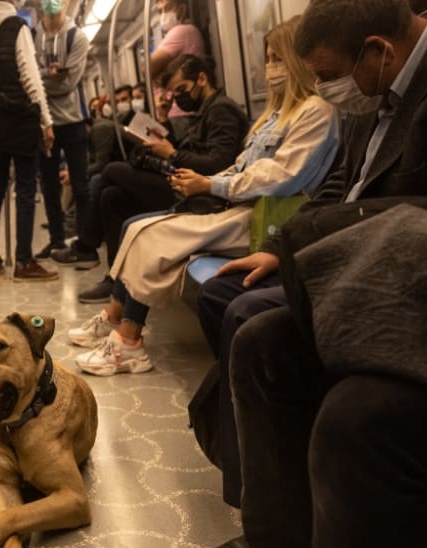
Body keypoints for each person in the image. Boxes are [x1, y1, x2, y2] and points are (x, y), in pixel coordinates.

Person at [157, 2, 427, 548]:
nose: (325, 87)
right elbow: (345, 186)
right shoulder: (377, 85)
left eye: (329, 74)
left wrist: (309, 250)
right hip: (383, 271)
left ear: (377, 51)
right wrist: (281, 248)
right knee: (259, 341)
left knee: (354, 415)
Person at [69, 17, 338, 377]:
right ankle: (119, 323)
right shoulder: (274, 117)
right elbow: (241, 165)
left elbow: (282, 176)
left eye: (277, 59)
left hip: (266, 216)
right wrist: (208, 181)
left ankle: (128, 343)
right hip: (239, 204)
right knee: (136, 227)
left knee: (148, 234)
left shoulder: (316, 112)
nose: (271, 68)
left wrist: (211, 185)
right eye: (268, 59)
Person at [61, 55, 248, 302]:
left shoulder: (221, 110)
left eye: (181, 89)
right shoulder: (204, 111)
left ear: (202, 79)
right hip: (183, 184)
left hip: (201, 195)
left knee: (112, 170)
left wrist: (172, 154)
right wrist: (162, 120)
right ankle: (115, 281)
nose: (178, 97)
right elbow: (190, 151)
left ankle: (86, 247)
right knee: (111, 197)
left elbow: (217, 164)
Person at [0, 0, 57, 281]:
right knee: (26, 189)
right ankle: (23, 262)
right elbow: (30, 78)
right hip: (20, 119)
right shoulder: (17, 26)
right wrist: (46, 121)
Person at [33, 0, 91, 260]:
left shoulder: (77, 37)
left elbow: (68, 83)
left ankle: (84, 244)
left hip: (73, 120)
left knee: (80, 185)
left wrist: (41, 78)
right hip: (44, 122)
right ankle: (56, 240)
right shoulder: (30, 36)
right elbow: (27, 79)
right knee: (48, 186)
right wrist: (51, 75)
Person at [151, 0, 206, 119]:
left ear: (182, 9)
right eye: (160, 11)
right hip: (171, 112)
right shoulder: (175, 34)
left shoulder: (182, 31)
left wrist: (159, 74)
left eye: (168, 8)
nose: (163, 15)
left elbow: (147, 68)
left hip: (180, 114)